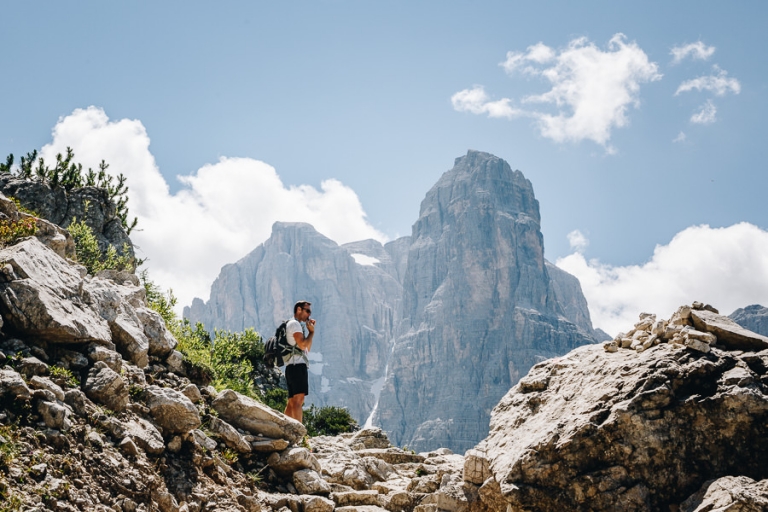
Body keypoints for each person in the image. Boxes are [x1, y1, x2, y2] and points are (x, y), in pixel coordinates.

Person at [283, 300, 315, 422]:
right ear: (299, 310)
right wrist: (312, 332)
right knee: (298, 401)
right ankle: (299, 434)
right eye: (307, 311)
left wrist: (309, 331)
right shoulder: (295, 324)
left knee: (291, 402)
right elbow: (303, 345)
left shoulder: (293, 325)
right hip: (297, 367)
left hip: (291, 367)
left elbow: (307, 348)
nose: (309, 314)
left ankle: (284, 429)